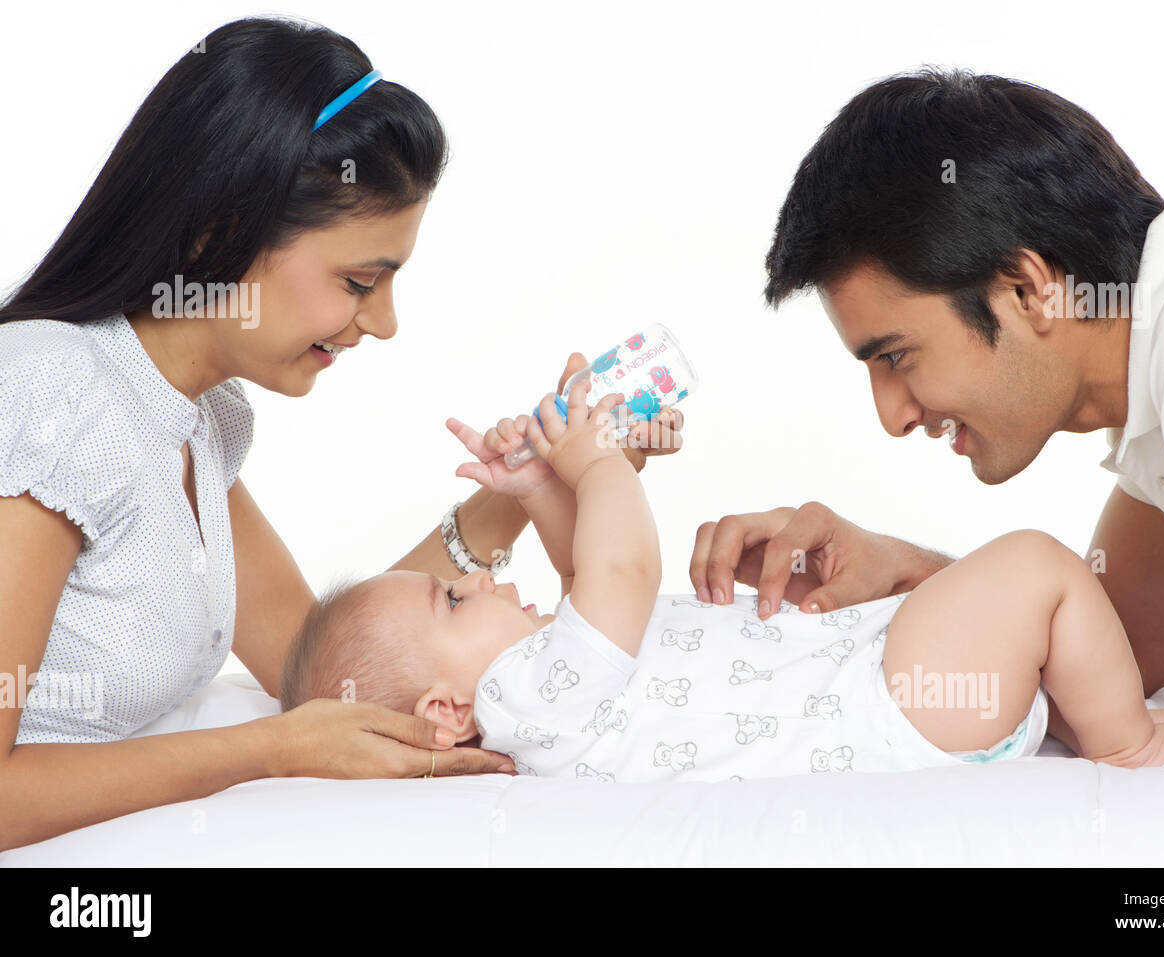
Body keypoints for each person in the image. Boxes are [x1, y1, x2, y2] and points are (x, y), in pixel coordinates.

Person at [0, 17, 684, 851]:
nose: (385, 322)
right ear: (218, 232)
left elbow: (322, 663)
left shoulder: (197, 418)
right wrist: (266, 751)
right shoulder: (53, 396)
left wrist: (526, 485)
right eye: (360, 280)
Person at [688, 68, 1164, 751]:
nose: (892, 417)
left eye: (894, 356)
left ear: (1028, 290)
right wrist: (899, 568)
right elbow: (1111, 660)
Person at [277, 379, 1164, 782]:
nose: (485, 580)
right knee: (1037, 567)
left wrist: (535, 486)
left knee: (1028, 590)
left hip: (882, 676)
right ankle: (1127, 743)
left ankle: (1089, 715)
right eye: (454, 597)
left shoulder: (554, 687)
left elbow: (583, 567)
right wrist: (590, 458)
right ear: (449, 713)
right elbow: (617, 566)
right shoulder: (522, 700)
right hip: (884, 706)